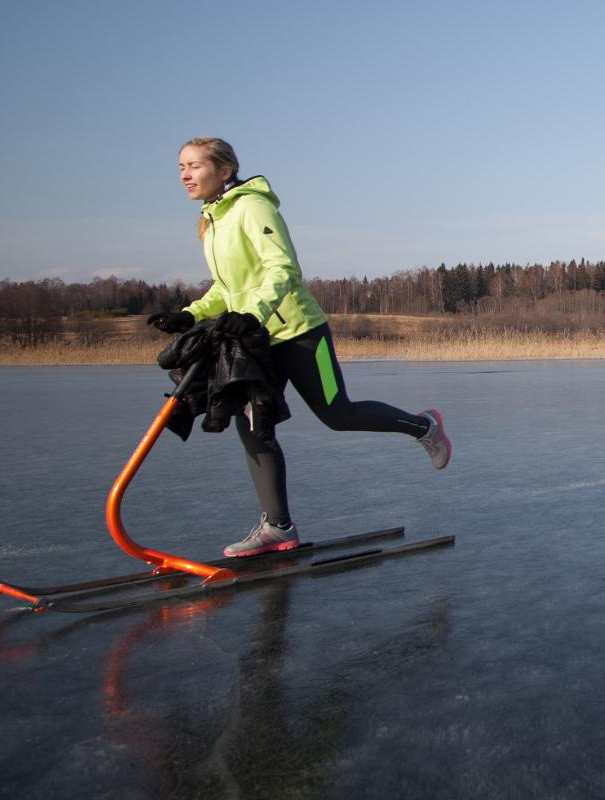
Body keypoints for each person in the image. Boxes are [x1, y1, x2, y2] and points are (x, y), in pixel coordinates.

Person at [149, 137, 452, 557]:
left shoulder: (253, 207)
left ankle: (424, 427)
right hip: (255, 341)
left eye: (194, 166)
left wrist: (253, 312)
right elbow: (228, 286)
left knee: (338, 413)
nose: (184, 175)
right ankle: (278, 527)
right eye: (180, 166)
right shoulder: (212, 220)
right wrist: (192, 313)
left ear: (223, 170)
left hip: (300, 331)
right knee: (253, 423)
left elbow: (282, 269)